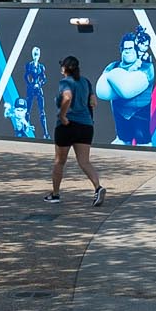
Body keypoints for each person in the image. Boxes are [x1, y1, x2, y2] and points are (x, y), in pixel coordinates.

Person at [48, 55, 105, 204]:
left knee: (59, 162)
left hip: (67, 126)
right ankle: (98, 188)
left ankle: (55, 194)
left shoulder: (65, 82)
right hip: (85, 126)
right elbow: (93, 102)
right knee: (84, 161)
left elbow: (67, 97)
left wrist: (62, 115)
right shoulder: (85, 82)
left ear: (65, 68)